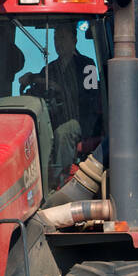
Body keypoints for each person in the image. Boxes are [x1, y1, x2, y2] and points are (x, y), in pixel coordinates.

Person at [19, 22, 101, 176]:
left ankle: (60, 180)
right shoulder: (50, 69)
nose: (58, 42)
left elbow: (89, 98)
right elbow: (41, 88)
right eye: (56, 38)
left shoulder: (87, 65)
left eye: (63, 37)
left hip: (83, 121)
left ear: (74, 40)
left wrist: (58, 88)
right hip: (54, 119)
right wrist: (30, 78)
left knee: (64, 133)